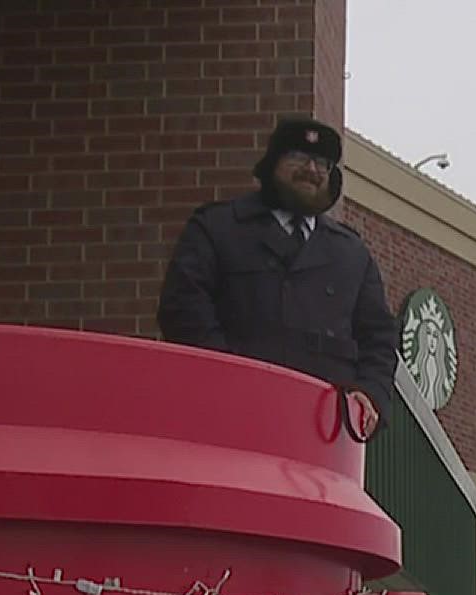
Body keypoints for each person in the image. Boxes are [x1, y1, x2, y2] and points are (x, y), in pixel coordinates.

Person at [156, 117, 397, 438]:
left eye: (322, 164)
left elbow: (378, 340)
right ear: (272, 163)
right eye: (298, 158)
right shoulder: (217, 229)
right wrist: (228, 378)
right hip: (228, 423)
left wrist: (370, 395)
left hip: (325, 435)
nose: (311, 170)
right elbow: (183, 312)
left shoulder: (352, 253)